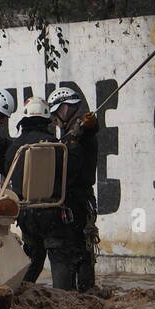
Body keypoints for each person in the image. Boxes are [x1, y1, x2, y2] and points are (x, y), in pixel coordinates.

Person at [47, 87, 101, 290]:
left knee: (83, 248)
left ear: (66, 108)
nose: (55, 119)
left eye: (56, 113)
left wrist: (85, 125)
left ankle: (85, 294)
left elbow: (91, 128)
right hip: (69, 199)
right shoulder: (69, 134)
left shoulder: (83, 129)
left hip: (81, 198)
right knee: (72, 247)